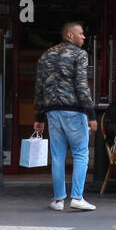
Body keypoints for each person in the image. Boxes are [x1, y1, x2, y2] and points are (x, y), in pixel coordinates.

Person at [33, 21, 97, 213]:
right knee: (80, 153)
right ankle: (77, 197)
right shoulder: (80, 55)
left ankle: (59, 200)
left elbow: (39, 87)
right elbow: (81, 85)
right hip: (73, 111)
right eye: (80, 33)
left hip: (52, 112)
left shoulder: (46, 55)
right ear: (69, 35)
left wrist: (39, 116)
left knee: (58, 156)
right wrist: (91, 114)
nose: (84, 37)